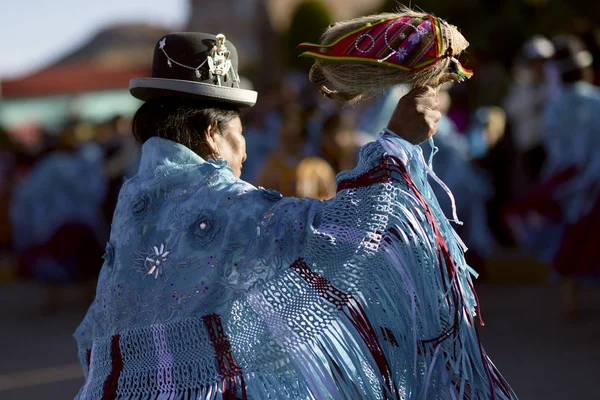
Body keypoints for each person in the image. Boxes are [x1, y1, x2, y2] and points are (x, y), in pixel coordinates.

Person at [74, 31, 514, 399]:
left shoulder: (136, 203)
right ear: (212, 135)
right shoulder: (220, 202)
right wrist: (396, 145)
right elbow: (342, 233)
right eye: (239, 133)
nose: (245, 151)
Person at [505, 35, 600, 317]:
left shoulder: (554, 105)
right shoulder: (595, 101)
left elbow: (552, 144)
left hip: (564, 178)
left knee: (573, 237)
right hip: (593, 181)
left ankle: (570, 301)